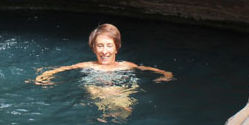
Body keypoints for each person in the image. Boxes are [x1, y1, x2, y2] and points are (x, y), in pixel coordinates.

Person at [34, 23, 174, 84]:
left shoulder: (126, 66)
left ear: (116, 48)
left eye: (109, 46)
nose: (105, 51)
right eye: (100, 46)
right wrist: (44, 76)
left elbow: (155, 71)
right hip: (97, 93)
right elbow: (62, 69)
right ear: (93, 48)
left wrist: (166, 76)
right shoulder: (88, 65)